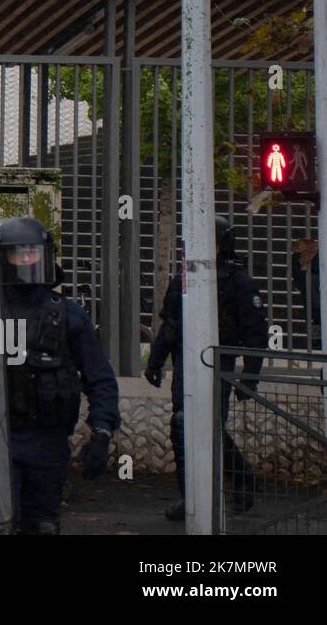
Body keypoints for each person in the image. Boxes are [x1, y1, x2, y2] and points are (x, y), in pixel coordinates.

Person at [0, 216, 119, 534]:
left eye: (34, 253)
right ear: (1, 257)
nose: (28, 261)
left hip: (47, 440)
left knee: (42, 525)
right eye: (19, 254)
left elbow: (100, 379)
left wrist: (102, 432)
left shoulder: (68, 314)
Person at [146, 216, 265, 520]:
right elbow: (171, 325)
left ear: (223, 244)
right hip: (186, 362)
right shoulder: (184, 278)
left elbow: (254, 335)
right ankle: (192, 500)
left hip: (218, 365)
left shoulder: (239, 282)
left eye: (208, 242)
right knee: (182, 426)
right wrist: (156, 361)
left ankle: (237, 483)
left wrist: (250, 377)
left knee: (209, 429)